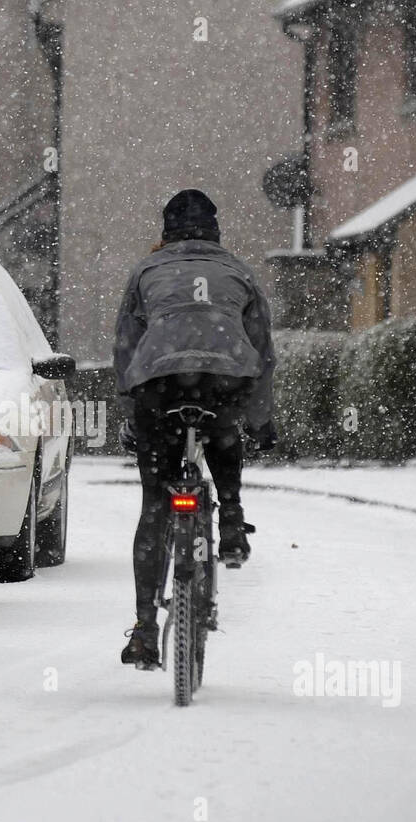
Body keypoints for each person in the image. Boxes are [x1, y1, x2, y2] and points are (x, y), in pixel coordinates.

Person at [113, 189, 277, 669]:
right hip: (223, 378)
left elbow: (126, 347)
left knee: (154, 505)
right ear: (216, 232)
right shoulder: (239, 271)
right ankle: (230, 521)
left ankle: (144, 628)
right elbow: (263, 352)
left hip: (158, 388)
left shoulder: (146, 272)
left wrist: (132, 414)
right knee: (225, 428)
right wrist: (261, 420)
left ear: (165, 234)